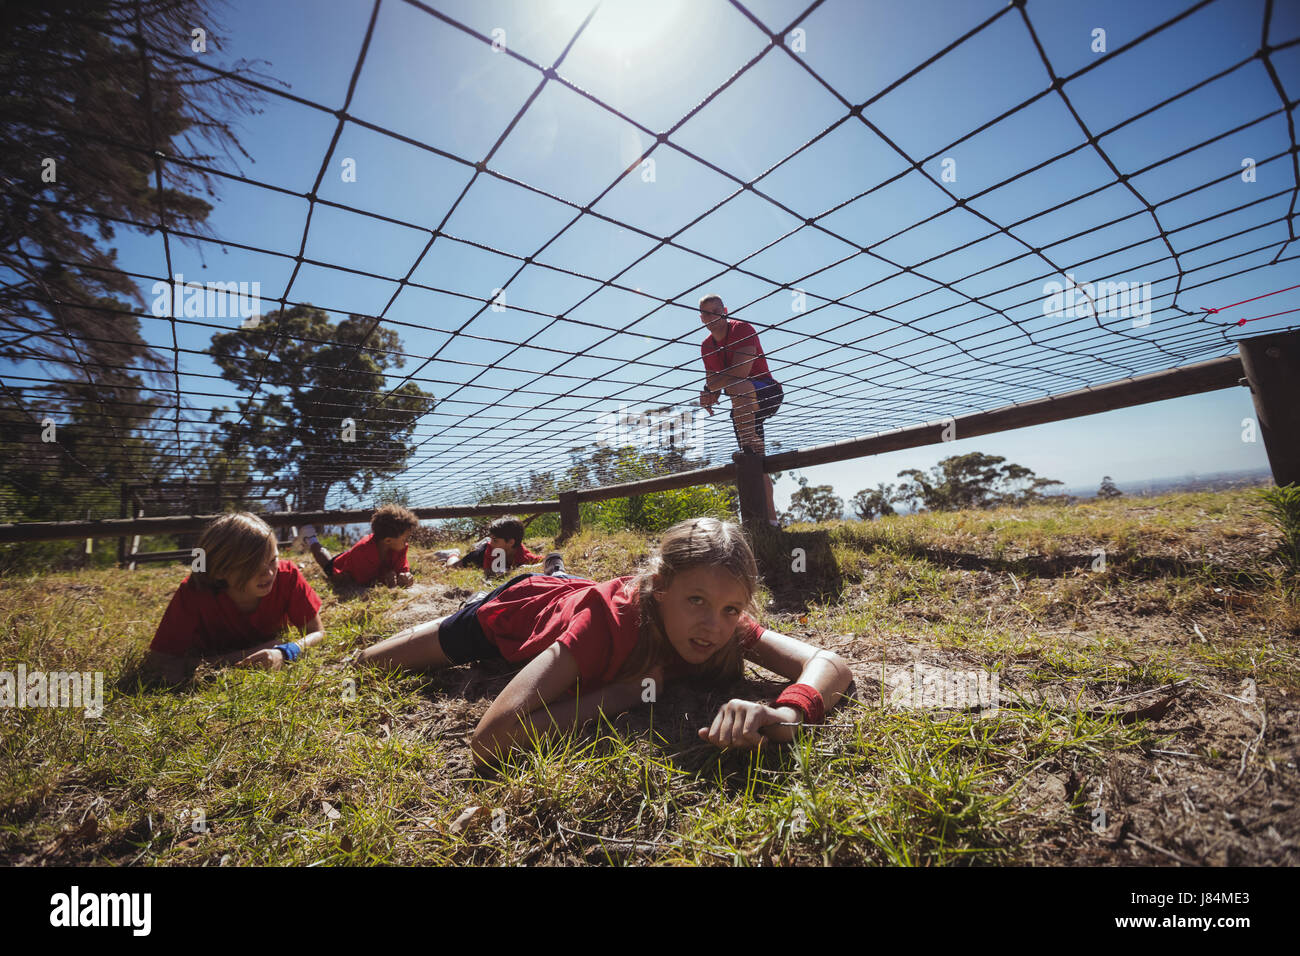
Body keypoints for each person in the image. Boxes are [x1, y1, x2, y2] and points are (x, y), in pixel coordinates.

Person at [357, 517, 852, 768]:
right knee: (374, 662)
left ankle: (557, 567)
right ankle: (541, 574)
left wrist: (787, 714)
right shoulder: (605, 625)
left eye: (730, 609)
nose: (714, 627)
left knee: (568, 581)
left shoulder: (723, 625)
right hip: (511, 613)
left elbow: (830, 663)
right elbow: (489, 742)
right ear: (661, 588)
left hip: (575, 595)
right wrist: (616, 696)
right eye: (696, 601)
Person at [144, 512, 325, 685]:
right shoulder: (194, 592)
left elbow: (317, 632)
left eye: (272, 560)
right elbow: (159, 661)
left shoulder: (287, 576)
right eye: (253, 565)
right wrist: (245, 655)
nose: (269, 573)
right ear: (220, 570)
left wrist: (285, 652)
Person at [697, 294, 782, 525]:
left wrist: (715, 385)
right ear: (702, 318)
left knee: (738, 385)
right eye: (707, 313)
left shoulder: (742, 329)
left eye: (717, 311)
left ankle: (749, 442)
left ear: (725, 310)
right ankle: (771, 523)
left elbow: (740, 375)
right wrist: (708, 394)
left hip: (767, 392)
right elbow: (711, 385)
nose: (713, 316)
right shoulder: (706, 346)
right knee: (755, 460)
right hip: (742, 407)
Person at [299, 504, 417, 588]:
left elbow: (401, 568)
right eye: (405, 539)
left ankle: (312, 539)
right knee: (326, 563)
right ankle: (310, 538)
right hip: (342, 567)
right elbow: (363, 582)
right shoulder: (363, 551)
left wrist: (405, 576)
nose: (407, 542)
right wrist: (385, 579)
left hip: (353, 558)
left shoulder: (400, 548)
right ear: (388, 540)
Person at [444, 516, 544, 575]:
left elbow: (545, 560)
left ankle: (480, 543)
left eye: (495, 540)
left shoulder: (523, 555)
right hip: (482, 554)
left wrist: (526, 567)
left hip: (499, 553)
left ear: (511, 542)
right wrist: (515, 570)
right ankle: (453, 553)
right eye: (492, 539)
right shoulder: (491, 548)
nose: (491, 543)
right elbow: (488, 572)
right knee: (452, 567)